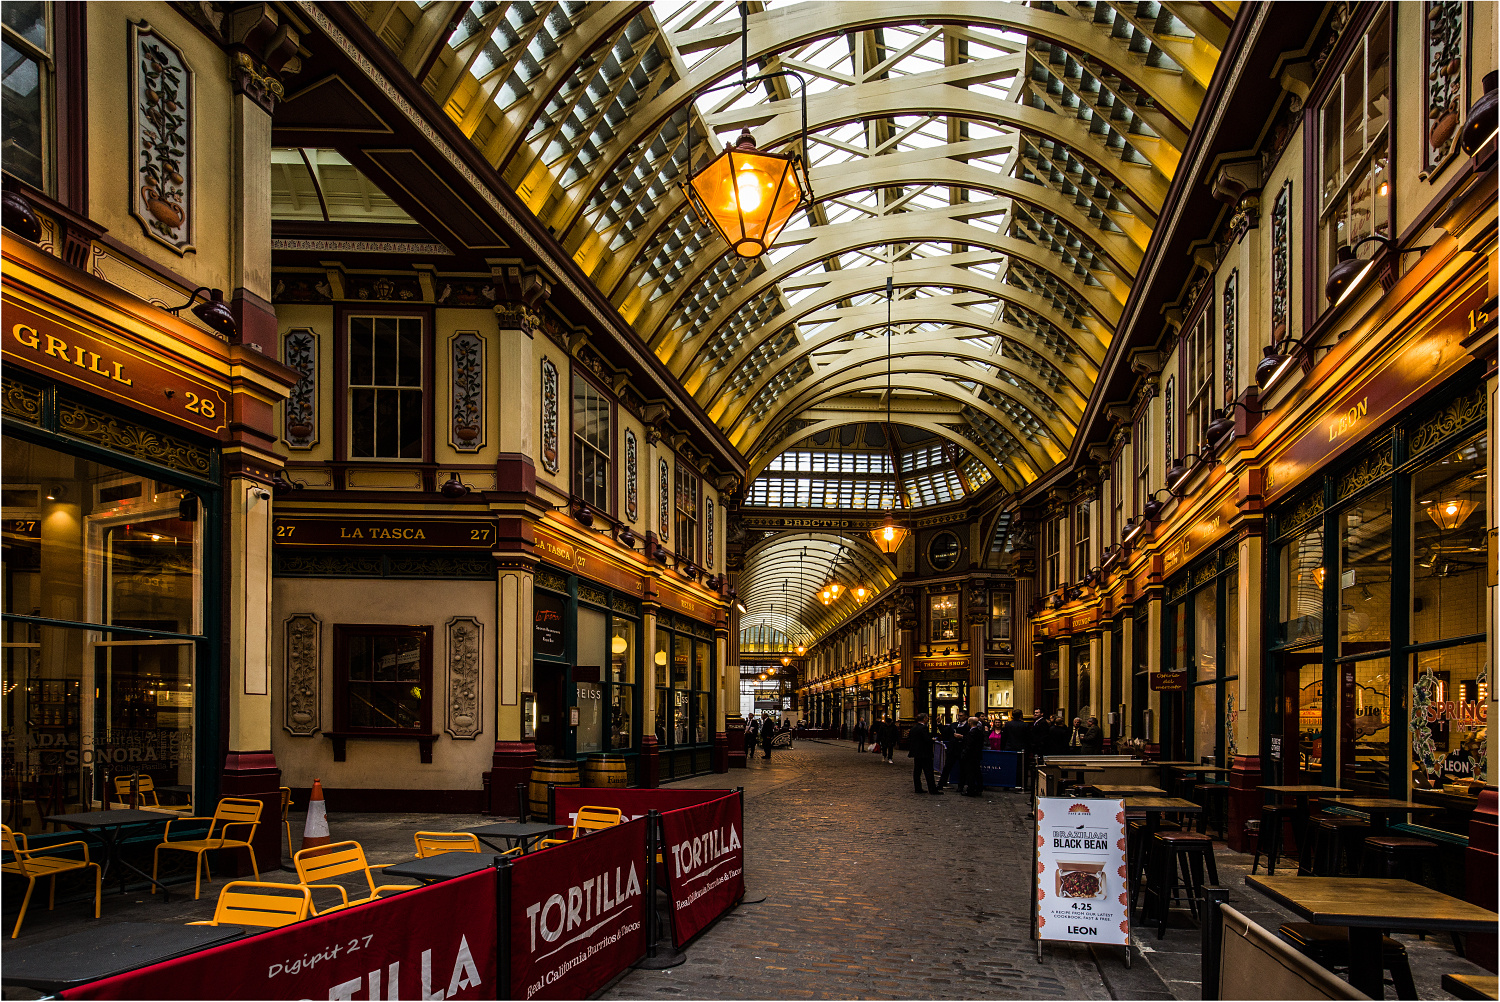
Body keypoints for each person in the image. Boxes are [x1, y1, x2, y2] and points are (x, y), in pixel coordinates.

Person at [908, 712, 940, 794]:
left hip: (917, 753)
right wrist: (932, 740)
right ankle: (932, 789)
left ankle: (918, 788)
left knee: (917, 772)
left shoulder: (913, 728)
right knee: (928, 772)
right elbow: (926, 740)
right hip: (925, 753)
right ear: (925, 719)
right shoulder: (923, 728)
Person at [959, 716, 986, 796]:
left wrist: (964, 754)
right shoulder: (979, 732)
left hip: (971, 756)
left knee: (970, 773)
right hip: (977, 755)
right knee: (977, 772)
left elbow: (969, 745)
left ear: (970, 723)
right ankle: (979, 788)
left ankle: (971, 789)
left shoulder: (972, 732)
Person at [937, 718, 961, 789]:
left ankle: (960, 786)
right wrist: (939, 724)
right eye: (959, 716)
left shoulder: (967, 726)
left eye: (961, 716)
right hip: (952, 749)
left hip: (962, 749)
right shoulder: (953, 725)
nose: (959, 717)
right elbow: (944, 732)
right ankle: (941, 783)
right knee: (947, 767)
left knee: (962, 768)